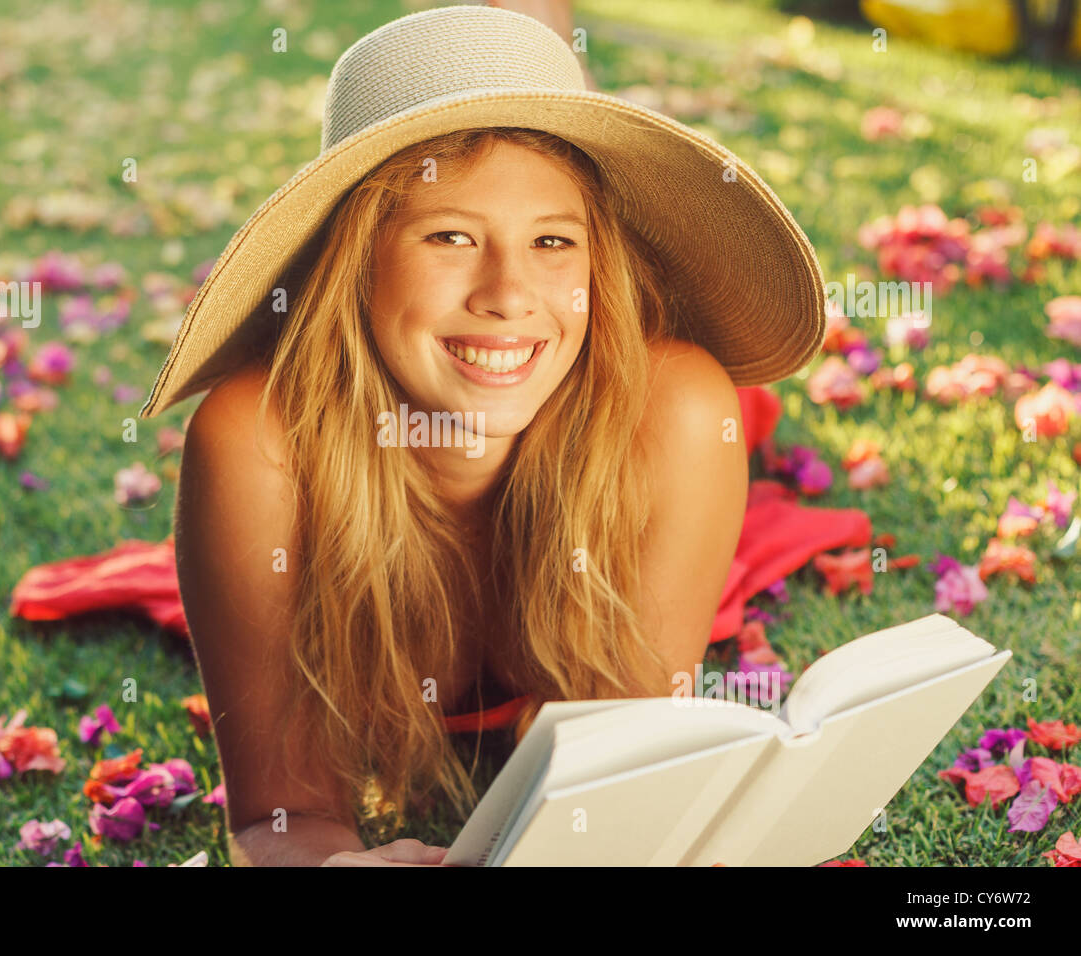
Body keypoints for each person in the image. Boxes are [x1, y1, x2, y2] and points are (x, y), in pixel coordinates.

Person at [140, 5, 827, 866]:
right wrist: (333, 862)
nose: (507, 291)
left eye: (552, 239)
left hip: (612, 411)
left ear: (595, 264)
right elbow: (280, 819)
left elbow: (612, 783)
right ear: (356, 260)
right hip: (444, 402)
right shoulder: (260, 439)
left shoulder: (679, 411)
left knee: (704, 400)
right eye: (451, 236)